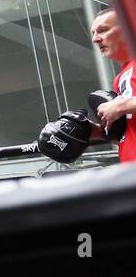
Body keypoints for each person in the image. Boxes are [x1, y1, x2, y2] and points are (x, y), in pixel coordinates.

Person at [38, 9, 136, 163]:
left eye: (103, 30)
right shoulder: (121, 78)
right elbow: (128, 134)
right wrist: (93, 131)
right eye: (93, 33)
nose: (96, 39)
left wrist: (123, 106)